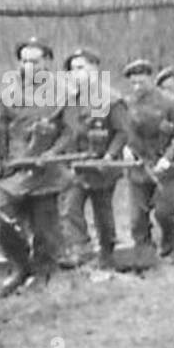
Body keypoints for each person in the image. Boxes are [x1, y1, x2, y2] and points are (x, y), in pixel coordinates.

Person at [0, 38, 68, 294]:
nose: (29, 67)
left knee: (45, 228)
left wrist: (51, 153)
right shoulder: (10, 89)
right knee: (4, 223)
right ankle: (20, 266)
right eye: (24, 61)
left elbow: (71, 132)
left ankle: (44, 272)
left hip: (45, 169)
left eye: (34, 61)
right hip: (14, 167)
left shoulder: (62, 91)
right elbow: (1, 126)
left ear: (47, 62)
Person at [57, 48, 127, 270]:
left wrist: (109, 156)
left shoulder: (111, 98)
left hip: (103, 167)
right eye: (72, 70)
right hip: (78, 166)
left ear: (94, 69)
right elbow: (66, 131)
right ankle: (81, 248)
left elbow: (122, 131)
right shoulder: (69, 101)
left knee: (103, 213)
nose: (76, 74)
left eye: (81, 68)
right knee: (70, 207)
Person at [121, 57, 174, 265]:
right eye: (133, 83)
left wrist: (169, 157)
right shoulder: (127, 104)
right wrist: (125, 148)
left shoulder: (170, 102)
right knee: (136, 217)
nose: (137, 87)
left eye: (141, 81)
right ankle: (144, 253)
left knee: (166, 212)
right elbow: (123, 132)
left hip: (167, 166)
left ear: (151, 79)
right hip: (139, 167)